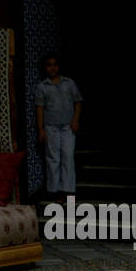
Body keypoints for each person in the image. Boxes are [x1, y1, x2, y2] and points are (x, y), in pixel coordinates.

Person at [35, 53, 83, 197]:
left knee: (68, 156)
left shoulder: (69, 83)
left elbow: (78, 102)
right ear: (45, 68)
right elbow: (40, 108)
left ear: (59, 66)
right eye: (49, 65)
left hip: (67, 127)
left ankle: (67, 190)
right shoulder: (42, 86)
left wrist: (75, 120)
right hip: (51, 127)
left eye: (55, 64)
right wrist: (41, 129)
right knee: (53, 158)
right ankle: (54, 192)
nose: (52, 68)